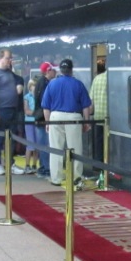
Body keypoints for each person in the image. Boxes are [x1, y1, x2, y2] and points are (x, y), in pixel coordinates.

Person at [41, 58, 92, 186]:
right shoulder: (78, 84)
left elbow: (46, 107)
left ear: (61, 70)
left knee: (55, 149)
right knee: (75, 149)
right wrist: (86, 122)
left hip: (55, 117)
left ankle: (56, 178)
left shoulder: (52, 84)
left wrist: (47, 123)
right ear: (71, 70)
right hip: (73, 118)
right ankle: (76, 177)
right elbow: (86, 106)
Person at [0, 48, 25, 175]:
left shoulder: (9, 72)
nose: (10, 60)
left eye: (11, 58)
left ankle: (10, 163)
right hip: (1, 110)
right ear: (0, 58)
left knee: (11, 138)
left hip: (12, 110)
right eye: (8, 58)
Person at [34, 62, 57, 178]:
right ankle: (46, 168)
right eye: (53, 70)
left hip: (40, 117)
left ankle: (44, 167)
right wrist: (48, 120)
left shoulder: (42, 82)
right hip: (43, 118)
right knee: (45, 144)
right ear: (48, 71)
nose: (56, 72)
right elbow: (45, 104)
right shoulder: (44, 84)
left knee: (43, 143)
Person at [88, 62, 107, 161]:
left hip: (98, 117)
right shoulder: (115, 78)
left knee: (99, 143)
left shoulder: (97, 79)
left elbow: (91, 101)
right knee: (110, 144)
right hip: (111, 119)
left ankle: (99, 167)